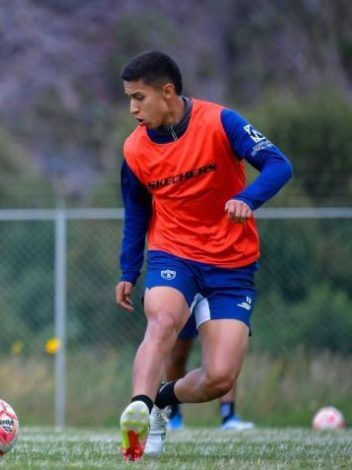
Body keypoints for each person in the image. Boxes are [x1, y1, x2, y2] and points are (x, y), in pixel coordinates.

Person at [114, 51, 292, 461]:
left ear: (168, 92)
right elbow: (136, 210)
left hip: (232, 263)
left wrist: (248, 198)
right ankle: (138, 412)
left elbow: (279, 165)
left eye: (139, 98)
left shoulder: (221, 122)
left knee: (219, 377)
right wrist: (129, 268)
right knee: (162, 320)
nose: (132, 108)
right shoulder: (134, 150)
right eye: (128, 98)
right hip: (172, 254)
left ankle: (159, 401)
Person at [165, 295, 254, 431]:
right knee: (178, 355)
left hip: (215, 290)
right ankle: (172, 413)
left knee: (225, 353)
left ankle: (228, 415)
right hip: (190, 289)